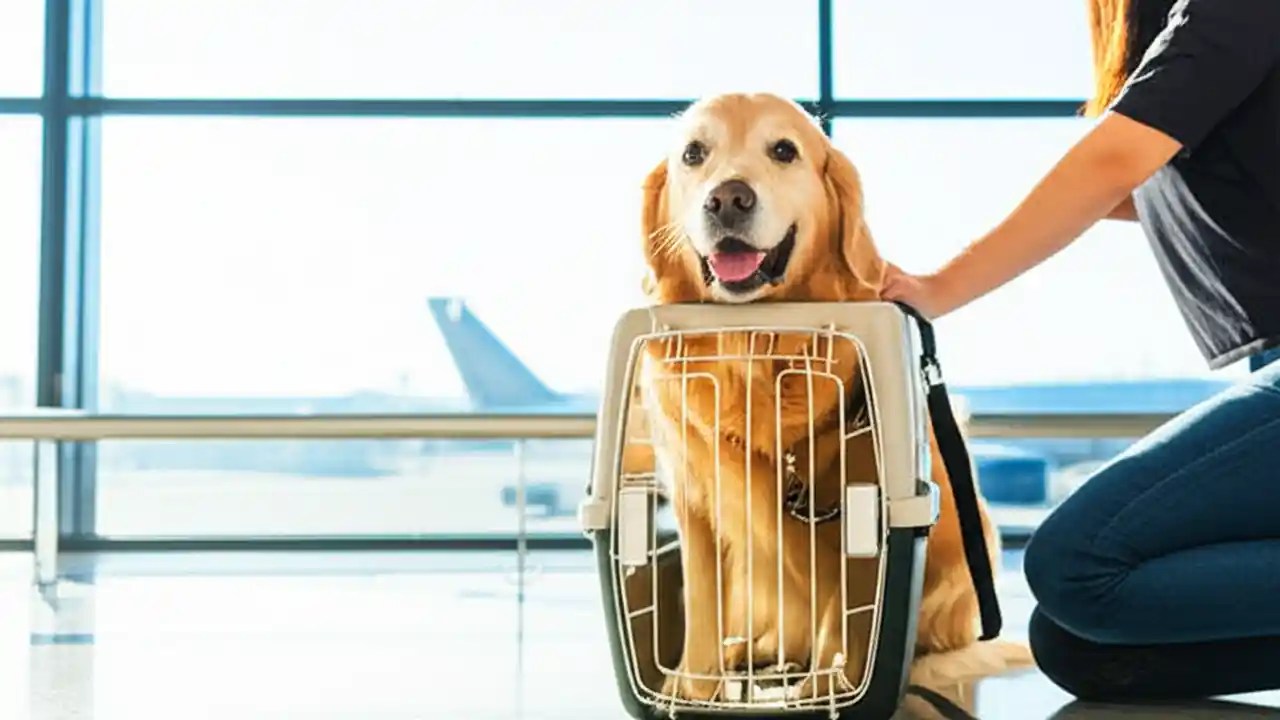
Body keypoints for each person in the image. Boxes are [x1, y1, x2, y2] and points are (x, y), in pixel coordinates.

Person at [880, 0, 1280, 702]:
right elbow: (1130, 184)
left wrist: (936, 288)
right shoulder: (1156, 26)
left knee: (1076, 565)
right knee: (1081, 647)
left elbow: (1115, 164)